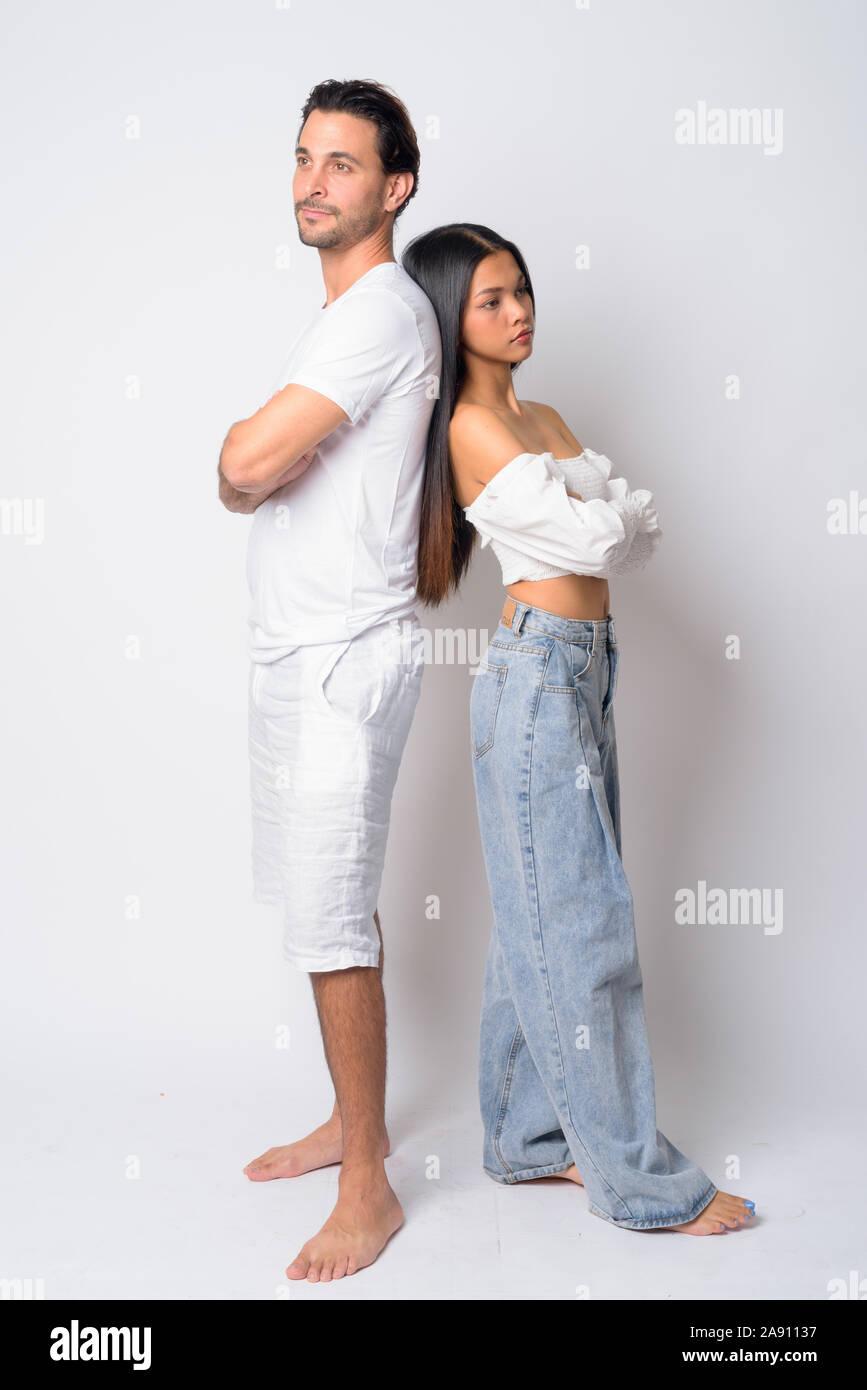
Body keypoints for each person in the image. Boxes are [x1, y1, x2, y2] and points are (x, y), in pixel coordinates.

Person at [400, 223, 757, 1235]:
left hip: (587, 672)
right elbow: (608, 531)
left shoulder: (540, 413)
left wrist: (616, 520)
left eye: (522, 292)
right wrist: (610, 516)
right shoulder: (471, 424)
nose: (519, 313)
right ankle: (641, 1184)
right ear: (449, 319)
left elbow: (637, 526)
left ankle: (526, 1139)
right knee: (582, 926)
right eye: (491, 300)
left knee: (539, 919)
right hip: (536, 676)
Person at [217, 79, 441, 1280]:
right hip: (301, 656)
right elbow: (244, 475)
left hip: (343, 662)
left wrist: (248, 456)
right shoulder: (340, 317)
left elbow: (244, 459)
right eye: (304, 157)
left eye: (341, 163)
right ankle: (352, 1127)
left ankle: (370, 1185)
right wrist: (248, 465)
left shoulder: (379, 313)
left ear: (393, 187)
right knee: (323, 910)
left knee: (332, 918)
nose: (312, 179)